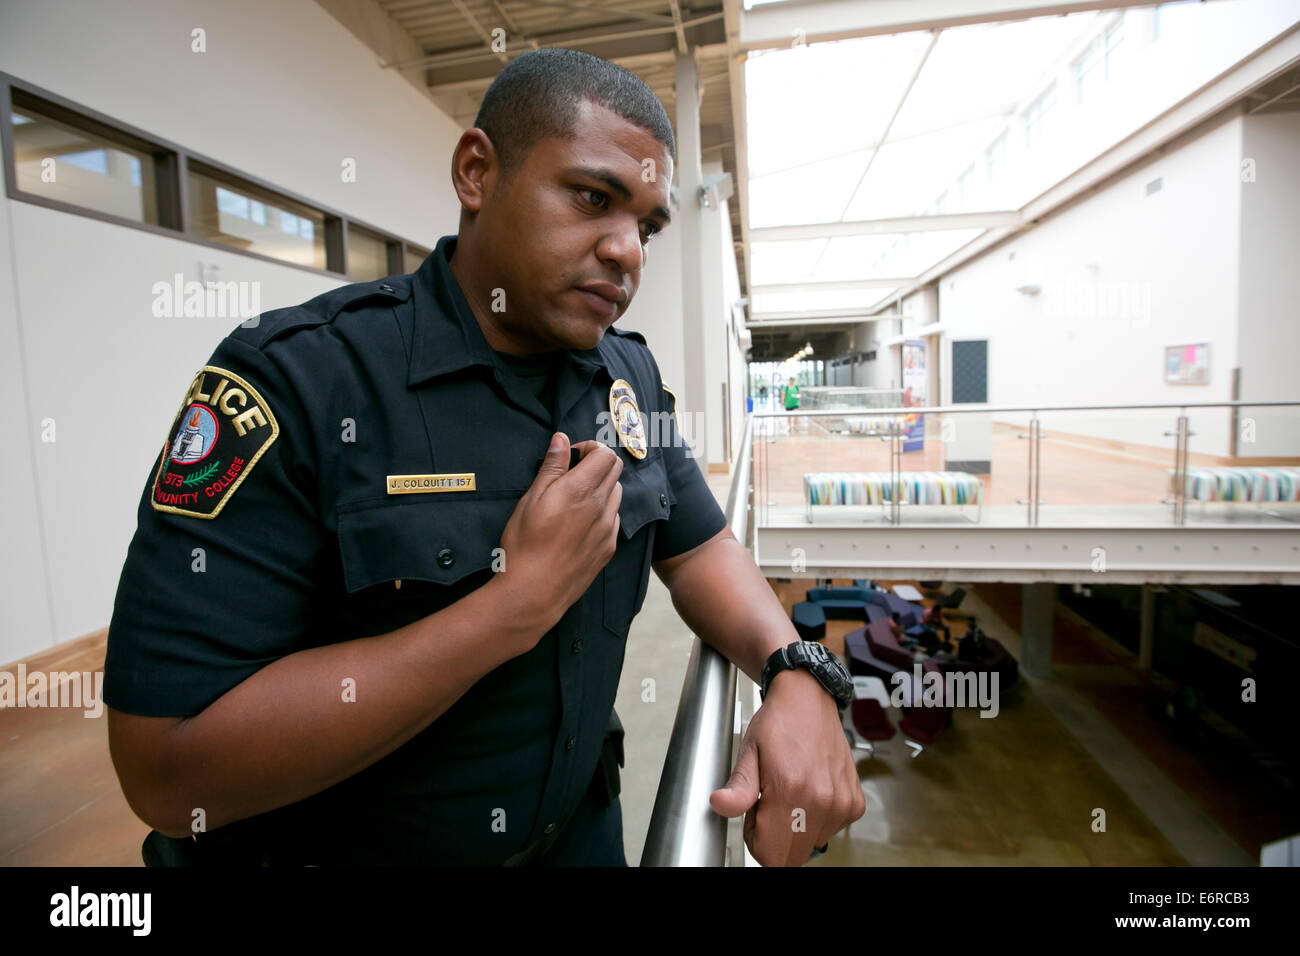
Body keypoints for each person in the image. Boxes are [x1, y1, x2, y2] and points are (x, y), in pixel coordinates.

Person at [104, 48, 862, 868]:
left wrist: (796, 670)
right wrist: (509, 610)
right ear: (476, 172)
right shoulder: (301, 380)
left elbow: (701, 543)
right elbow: (168, 774)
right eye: (591, 197)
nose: (628, 251)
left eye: (644, 224)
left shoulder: (628, 376)